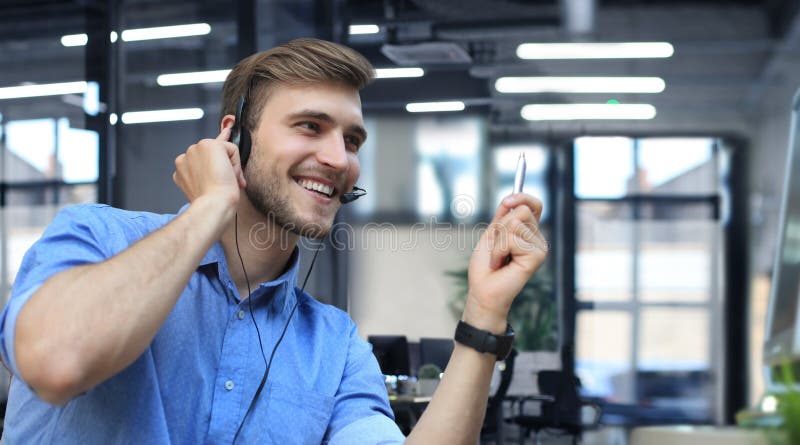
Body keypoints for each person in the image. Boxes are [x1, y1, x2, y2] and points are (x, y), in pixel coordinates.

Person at [0, 38, 547, 443]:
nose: (340, 159)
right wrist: (211, 205)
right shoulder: (97, 237)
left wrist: (485, 309)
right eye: (310, 126)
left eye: (351, 138)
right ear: (234, 138)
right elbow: (55, 361)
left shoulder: (333, 347)